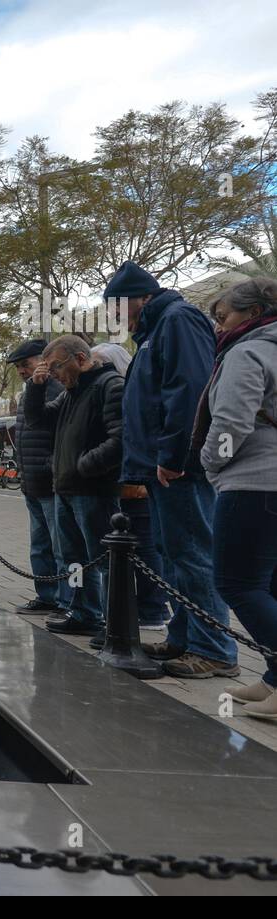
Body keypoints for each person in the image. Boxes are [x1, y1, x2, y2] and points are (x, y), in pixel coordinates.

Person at [106, 260, 237, 678]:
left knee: (194, 554)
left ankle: (214, 648)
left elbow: (189, 391)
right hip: (158, 467)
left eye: (117, 307)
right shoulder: (155, 330)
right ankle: (184, 636)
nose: (114, 317)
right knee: (174, 555)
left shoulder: (178, 321)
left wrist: (174, 456)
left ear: (139, 300)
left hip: (175, 467)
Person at [196, 277, 277, 716]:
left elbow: (230, 424)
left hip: (252, 484)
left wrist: (210, 463)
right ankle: (273, 678)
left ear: (252, 314)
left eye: (222, 317)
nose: (218, 327)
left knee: (237, 583)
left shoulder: (248, 352)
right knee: (270, 585)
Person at [25, 334, 123, 637]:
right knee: (75, 561)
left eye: (56, 367)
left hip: (93, 490)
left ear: (80, 359)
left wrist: (84, 465)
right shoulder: (70, 394)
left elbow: (121, 438)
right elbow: (39, 420)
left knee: (104, 560)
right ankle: (84, 613)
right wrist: (35, 387)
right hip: (66, 489)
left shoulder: (109, 386)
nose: (53, 374)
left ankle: (116, 624)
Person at [83, 340, 171, 649]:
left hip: (137, 486)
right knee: (133, 549)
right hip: (126, 484)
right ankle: (142, 607)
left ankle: (153, 608)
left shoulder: (120, 390)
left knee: (146, 549)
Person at [6, 338, 71, 615]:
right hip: (31, 483)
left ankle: (67, 601)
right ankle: (47, 596)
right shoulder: (29, 392)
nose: (22, 371)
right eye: (19, 367)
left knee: (62, 549)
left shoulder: (59, 389)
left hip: (51, 483)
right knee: (39, 547)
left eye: (26, 364)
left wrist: (49, 466)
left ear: (43, 361)